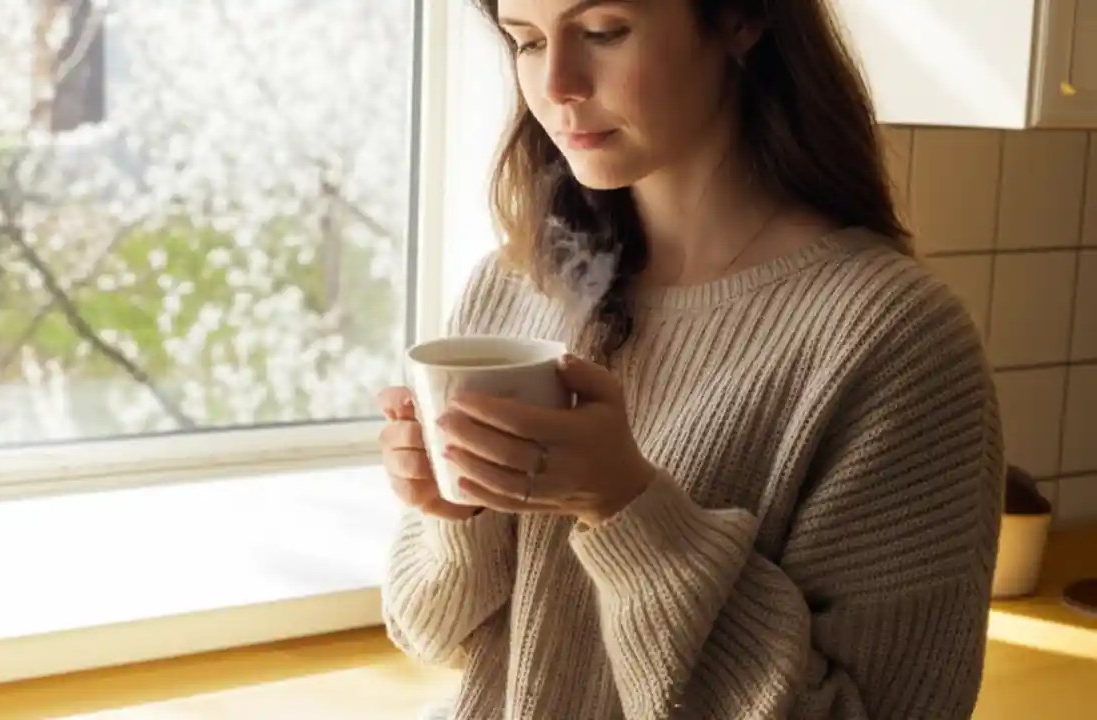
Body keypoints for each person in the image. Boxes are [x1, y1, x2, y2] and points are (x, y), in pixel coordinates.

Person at [376, 0, 1004, 717]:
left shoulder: (896, 342)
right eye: (525, 41)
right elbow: (433, 630)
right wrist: (453, 513)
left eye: (603, 32)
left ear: (741, 18)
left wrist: (624, 507)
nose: (556, 84)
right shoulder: (518, 285)